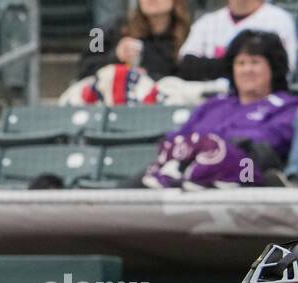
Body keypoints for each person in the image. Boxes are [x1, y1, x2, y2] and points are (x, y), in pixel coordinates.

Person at [143, 30, 298, 188]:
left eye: (255, 62)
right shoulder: (215, 103)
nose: (247, 70)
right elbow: (179, 135)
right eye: (241, 63)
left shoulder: (287, 105)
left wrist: (212, 143)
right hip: (191, 167)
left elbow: (270, 141)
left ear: (273, 68)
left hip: (247, 173)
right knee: (142, 180)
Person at [178, 0, 297, 80]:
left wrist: (214, 66)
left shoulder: (279, 20)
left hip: (259, 103)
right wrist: (237, 66)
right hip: (209, 100)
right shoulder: (207, 21)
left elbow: (281, 70)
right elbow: (186, 65)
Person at [77, 0, 192, 81]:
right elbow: (84, 69)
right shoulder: (105, 30)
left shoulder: (193, 33)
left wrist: (146, 57)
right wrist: (116, 56)